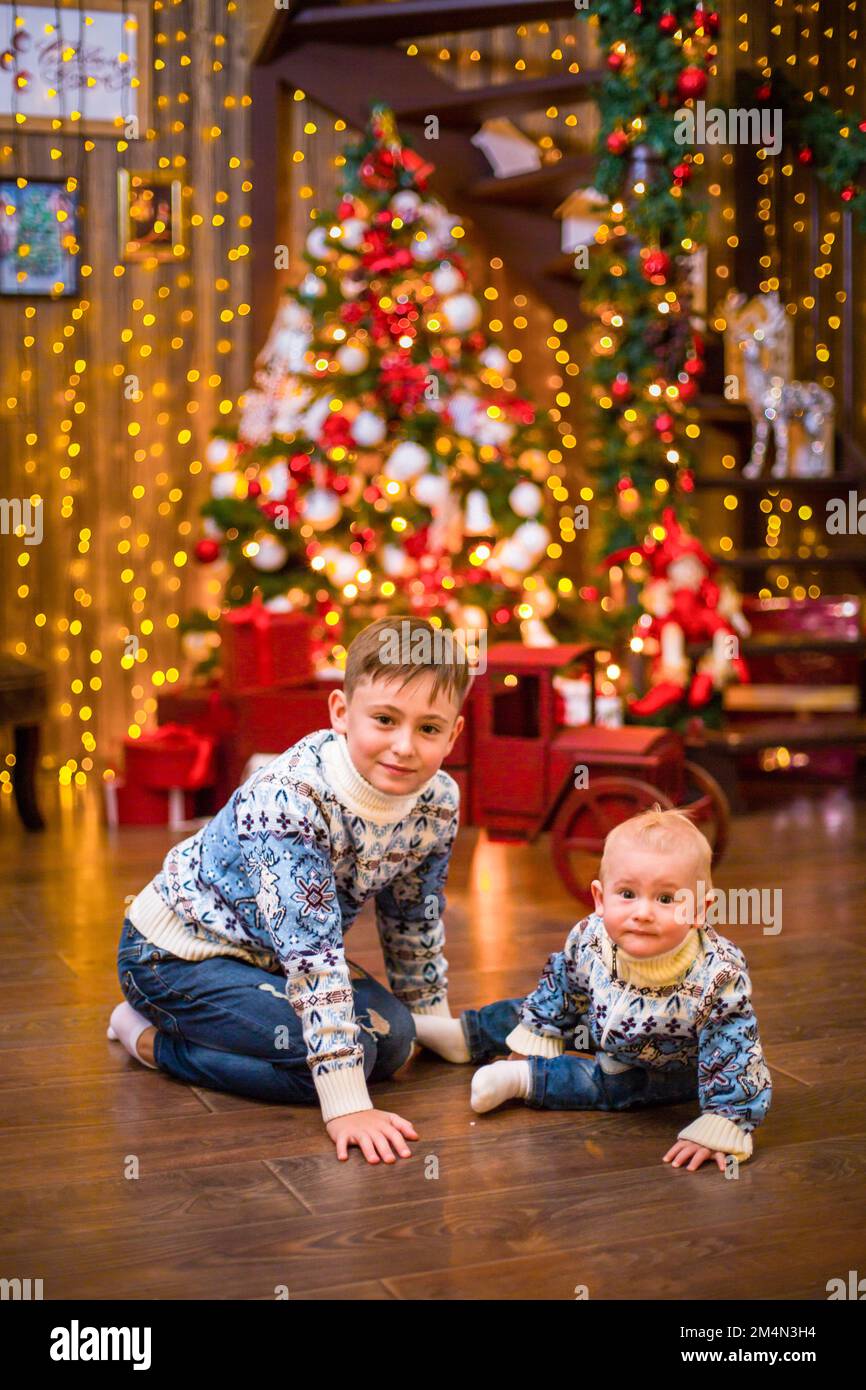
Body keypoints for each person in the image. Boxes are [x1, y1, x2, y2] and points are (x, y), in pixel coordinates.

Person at [107, 615, 471, 1166]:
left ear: (453, 734)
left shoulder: (437, 801)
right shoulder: (291, 799)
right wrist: (346, 1105)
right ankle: (149, 1037)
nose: (403, 747)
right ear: (341, 713)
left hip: (269, 960)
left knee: (395, 1040)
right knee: (338, 1065)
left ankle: (233, 1027)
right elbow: (312, 956)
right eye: (385, 719)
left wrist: (434, 1023)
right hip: (176, 955)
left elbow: (414, 917)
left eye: (428, 728)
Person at [415, 806, 772, 1172]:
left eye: (665, 899)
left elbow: (735, 1051)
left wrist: (725, 1121)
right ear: (601, 899)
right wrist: (538, 1035)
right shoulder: (591, 938)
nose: (643, 912)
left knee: (609, 1085)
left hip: (658, 1065)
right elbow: (562, 988)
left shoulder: (717, 978)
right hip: (600, 1019)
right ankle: (467, 1034)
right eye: (628, 893)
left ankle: (523, 1081)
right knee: (534, 1006)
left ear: (700, 909)